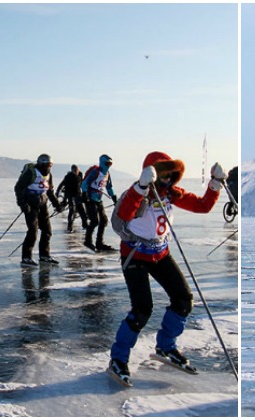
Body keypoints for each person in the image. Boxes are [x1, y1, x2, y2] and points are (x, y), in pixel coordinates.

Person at [107, 151, 225, 385]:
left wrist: (214, 184)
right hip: (135, 255)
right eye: (164, 176)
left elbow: (201, 207)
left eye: (173, 175)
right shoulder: (135, 194)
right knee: (142, 310)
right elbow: (123, 215)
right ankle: (118, 359)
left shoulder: (171, 193)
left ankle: (166, 346)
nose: (169, 180)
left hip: (160, 254)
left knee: (183, 300)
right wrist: (141, 187)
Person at [14, 153, 64, 266]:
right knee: (33, 231)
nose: (48, 167)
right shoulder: (31, 173)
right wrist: (22, 204)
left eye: (50, 165)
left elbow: (50, 192)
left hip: (43, 203)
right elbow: (18, 187)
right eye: (46, 165)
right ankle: (26, 257)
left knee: (47, 231)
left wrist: (57, 205)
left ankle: (44, 255)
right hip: (30, 204)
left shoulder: (49, 175)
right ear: (41, 164)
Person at [82, 154, 117, 252]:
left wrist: (114, 197)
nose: (109, 165)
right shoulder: (95, 172)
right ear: (102, 163)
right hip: (90, 199)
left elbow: (109, 187)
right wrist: (84, 194)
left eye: (110, 164)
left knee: (104, 221)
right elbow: (85, 183)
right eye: (107, 163)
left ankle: (99, 243)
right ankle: (87, 241)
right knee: (94, 221)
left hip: (98, 199)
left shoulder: (107, 174)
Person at [56, 164, 88, 233]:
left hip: (78, 195)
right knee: (72, 210)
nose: (75, 171)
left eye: (76, 170)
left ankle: (85, 225)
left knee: (82, 211)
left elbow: (83, 185)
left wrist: (85, 194)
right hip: (70, 195)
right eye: (74, 170)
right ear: (72, 170)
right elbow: (61, 185)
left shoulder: (80, 175)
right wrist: (57, 193)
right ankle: (69, 227)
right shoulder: (68, 176)